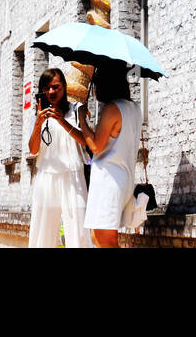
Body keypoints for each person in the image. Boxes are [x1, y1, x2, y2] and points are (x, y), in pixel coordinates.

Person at [26, 67, 92, 248]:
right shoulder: (39, 114)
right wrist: (39, 122)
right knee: (42, 229)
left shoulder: (76, 110)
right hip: (46, 174)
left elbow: (86, 141)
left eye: (55, 87)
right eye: (46, 88)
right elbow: (33, 150)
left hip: (73, 175)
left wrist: (62, 120)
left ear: (64, 87)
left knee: (78, 228)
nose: (51, 92)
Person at [79, 60, 140, 248]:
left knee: (106, 241)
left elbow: (96, 146)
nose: (95, 89)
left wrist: (81, 118)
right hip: (121, 178)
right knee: (98, 237)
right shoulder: (134, 108)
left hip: (109, 180)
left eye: (96, 84)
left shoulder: (112, 108)